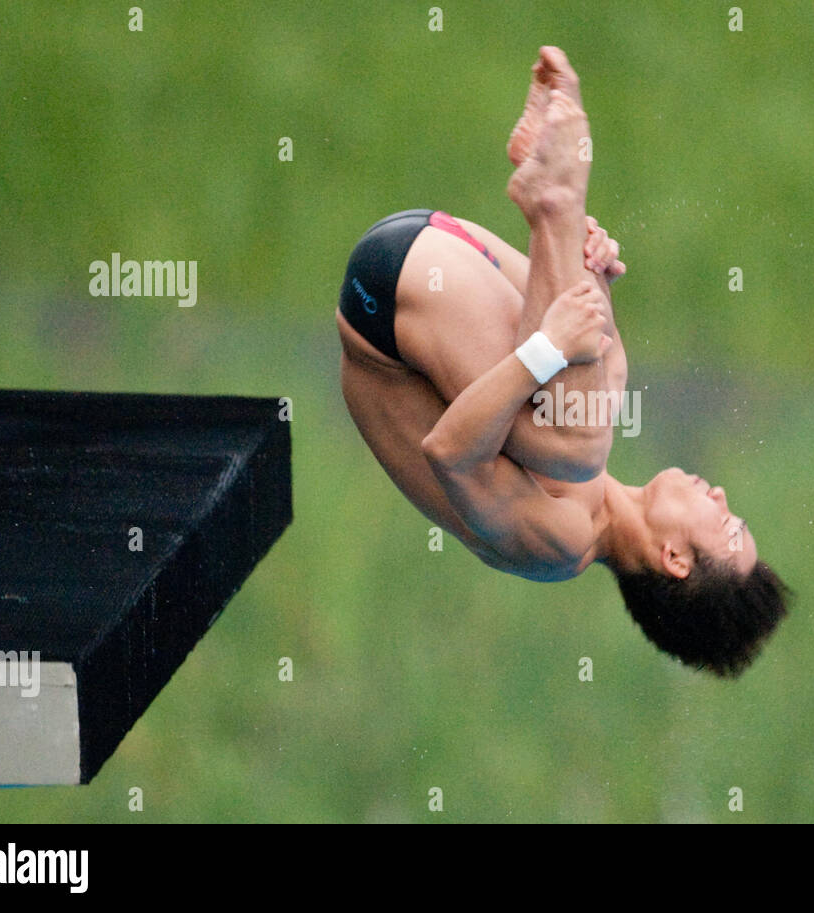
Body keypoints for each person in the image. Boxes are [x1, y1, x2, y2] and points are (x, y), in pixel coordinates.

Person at [337, 47, 787, 677]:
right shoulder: (593, 475)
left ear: (677, 560)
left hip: (384, 308)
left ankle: (555, 202)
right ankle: (552, 214)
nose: (720, 495)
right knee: (606, 375)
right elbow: (584, 354)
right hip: (439, 256)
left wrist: (547, 347)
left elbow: (449, 451)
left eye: (728, 525)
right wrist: (591, 271)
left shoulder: (560, 546)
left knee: (578, 437)